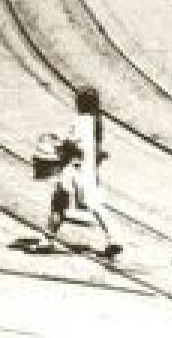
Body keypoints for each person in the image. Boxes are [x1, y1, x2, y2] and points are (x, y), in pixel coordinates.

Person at [45, 86, 121, 257]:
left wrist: (58, 145)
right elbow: (97, 150)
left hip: (74, 168)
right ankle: (114, 239)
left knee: (58, 201)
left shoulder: (80, 121)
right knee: (96, 205)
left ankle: (48, 240)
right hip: (89, 169)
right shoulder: (96, 122)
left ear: (80, 103)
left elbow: (74, 145)